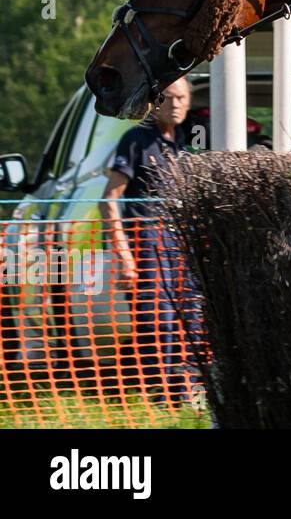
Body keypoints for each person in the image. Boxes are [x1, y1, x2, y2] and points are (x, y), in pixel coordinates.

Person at [99, 77, 197, 406]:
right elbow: (109, 198)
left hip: (180, 240)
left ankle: (185, 393)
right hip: (146, 238)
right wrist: (123, 254)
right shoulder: (136, 140)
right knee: (159, 317)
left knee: (190, 314)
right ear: (155, 104)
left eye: (183, 97)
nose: (177, 104)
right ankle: (158, 394)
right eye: (169, 98)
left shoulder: (187, 143)